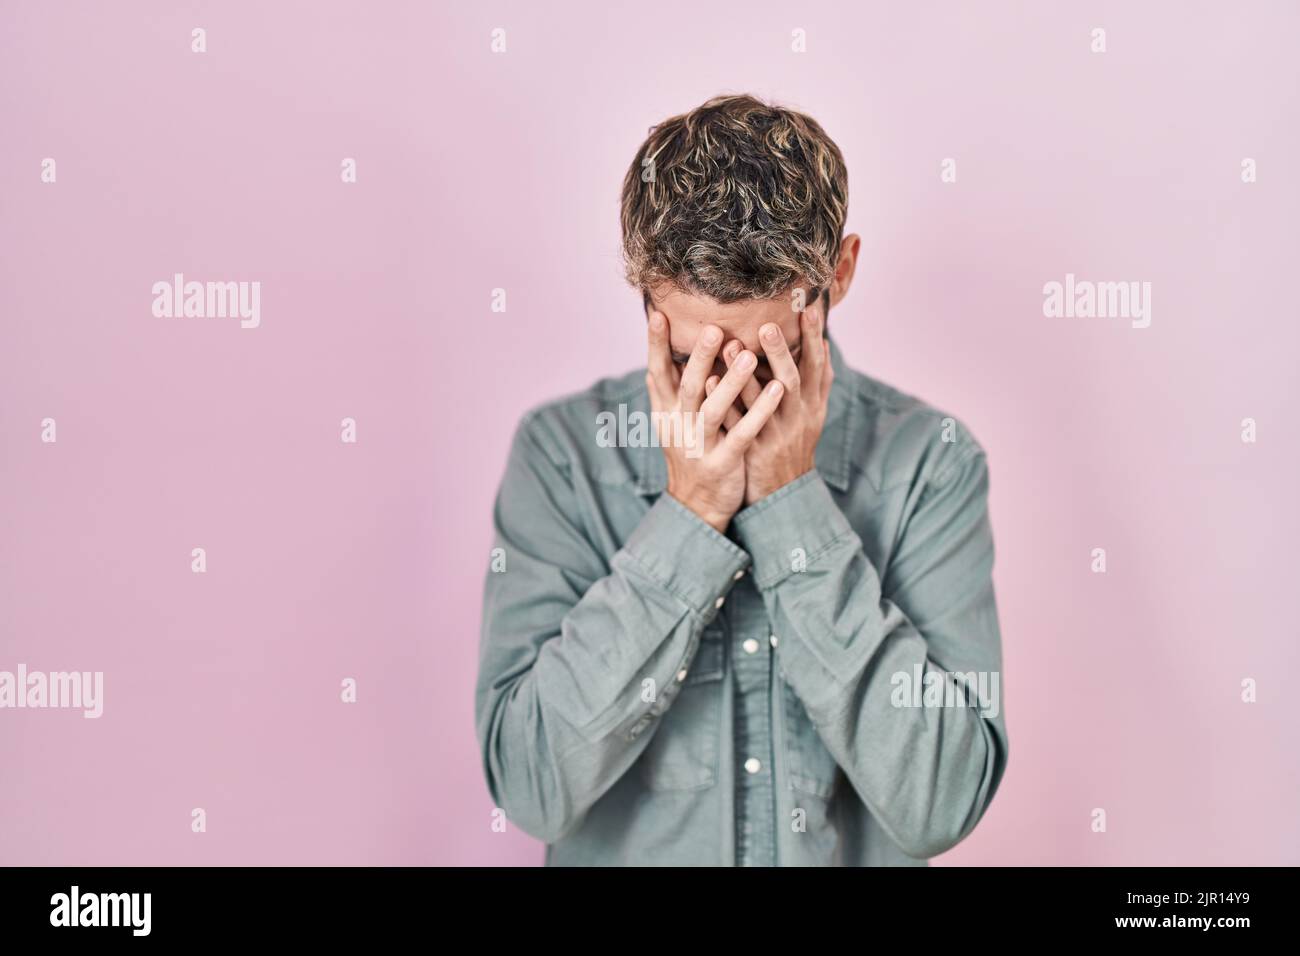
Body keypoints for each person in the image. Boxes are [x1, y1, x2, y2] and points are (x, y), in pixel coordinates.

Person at [475, 94, 1008, 866]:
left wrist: (795, 506)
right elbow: (529, 786)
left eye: (766, 354)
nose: (729, 396)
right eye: (692, 360)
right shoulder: (562, 455)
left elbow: (942, 804)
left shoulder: (932, 463)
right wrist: (689, 515)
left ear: (841, 273)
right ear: (646, 295)